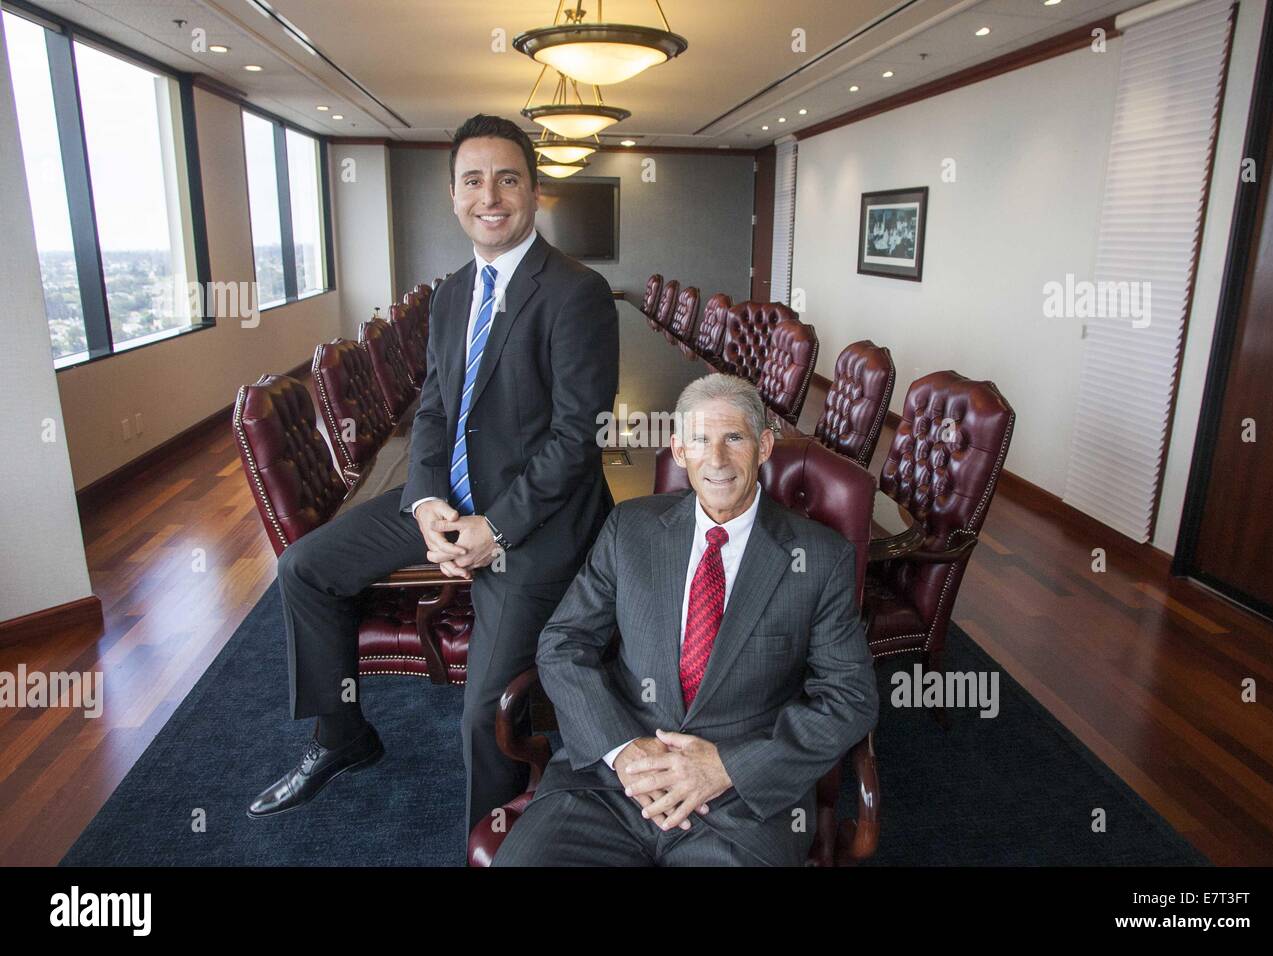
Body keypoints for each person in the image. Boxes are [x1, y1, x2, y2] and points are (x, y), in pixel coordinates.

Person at [248, 114, 619, 842]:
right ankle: (341, 736)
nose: (491, 195)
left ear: (533, 192)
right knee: (306, 568)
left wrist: (495, 527)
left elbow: (578, 437)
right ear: (453, 196)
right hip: (447, 497)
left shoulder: (577, 292)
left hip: (534, 520)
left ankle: (498, 832)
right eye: (474, 180)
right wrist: (423, 503)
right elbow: (434, 410)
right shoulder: (452, 294)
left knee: (485, 708)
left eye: (508, 179)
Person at [493, 374, 877, 866]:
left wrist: (727, 767)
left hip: (742, 804)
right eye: (700, 440)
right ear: (678, 450)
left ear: (762, 446)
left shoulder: (820, 558)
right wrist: (622, 750)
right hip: (612, 788)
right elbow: (563, 642)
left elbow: (851, 698)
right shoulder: (629, 529)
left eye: (734, 438)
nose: (716, 460)